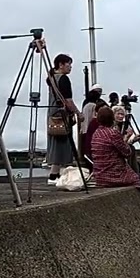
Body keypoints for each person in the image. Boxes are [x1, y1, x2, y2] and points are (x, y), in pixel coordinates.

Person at [46, 53, 80, 184]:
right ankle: (54, 175)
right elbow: (68, 101)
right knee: (63, 143)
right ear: (61, 64)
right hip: (62, 115)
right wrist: (78, 113)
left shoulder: (51, 78)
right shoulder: (63, 79)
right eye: (68, 64)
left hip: (52, 114)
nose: (70, 67)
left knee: (56, 143)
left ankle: (54, 174)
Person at [79, 83, 104, 165]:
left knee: (86, 150)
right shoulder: (94, 106)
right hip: (91, 129)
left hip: (84, 129)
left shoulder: (85, 104)